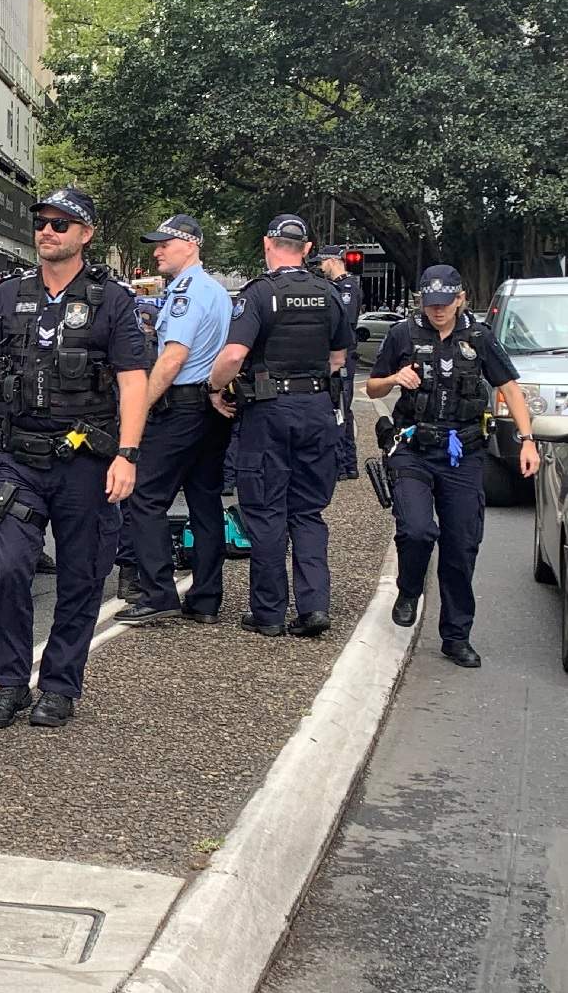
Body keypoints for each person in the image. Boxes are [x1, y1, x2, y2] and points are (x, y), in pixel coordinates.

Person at [0, 186, 149, 728]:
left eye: (62, 224)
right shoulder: (9, 295)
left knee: (81, 576)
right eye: (42, 221)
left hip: (86, 459)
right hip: (20, 455)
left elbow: (133, 379)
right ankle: (10, 681)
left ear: (86, 235)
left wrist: (128, 453)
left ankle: (60, 684)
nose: (47, 231)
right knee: (9, 566)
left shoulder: (112, 300)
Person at [366, 265, 539, 667]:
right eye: (431, 304)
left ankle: (456, 635)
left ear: (460, 299)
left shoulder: (478, 337)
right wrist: (395, 377)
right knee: (416, 530)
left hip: (462, 452)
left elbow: (509, 387)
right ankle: (409, 589)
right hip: (413, 448)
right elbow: (372, 386)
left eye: (445, 303)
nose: (437, 311)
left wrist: (527, 440)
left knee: (461, 546)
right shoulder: (403, 334)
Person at [208, 214, 352, 638]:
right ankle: (313, 608)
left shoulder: (260, 294)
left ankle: (269, 612)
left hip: (269, 413)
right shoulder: (328, 293)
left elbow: (234, 355)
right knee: (308, 511)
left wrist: (216, 389)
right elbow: (340, 358)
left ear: (269, 244)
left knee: (266, 511)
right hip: (317, 410)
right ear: (306, 249)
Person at [115, 215, 234, 626]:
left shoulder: (187, 292)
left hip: (181, 406)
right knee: (204, 501)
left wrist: (139, 408)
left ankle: (158, 592)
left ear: (191, 244)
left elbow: (172, 359)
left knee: (144, 496)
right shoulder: (216, 291)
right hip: (209, 406)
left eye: (165, 243)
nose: (157, 251)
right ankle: (205, 597)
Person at [116, 293, 164, 602]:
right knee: (136, 501)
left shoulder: (116, 338)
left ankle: (127, 571)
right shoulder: (154, 346)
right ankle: (131, 574)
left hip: (114, 423)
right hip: (145, 426)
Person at [316, 245, 365, 479]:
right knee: (338, 407)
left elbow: (344, 324)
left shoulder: (347, 288)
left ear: (333, 261)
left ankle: (346, 463)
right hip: (336, 356)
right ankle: (344, 462)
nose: (320, 267)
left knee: (341, 407)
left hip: (343, 356)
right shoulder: (336, 287)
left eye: (322, 262)